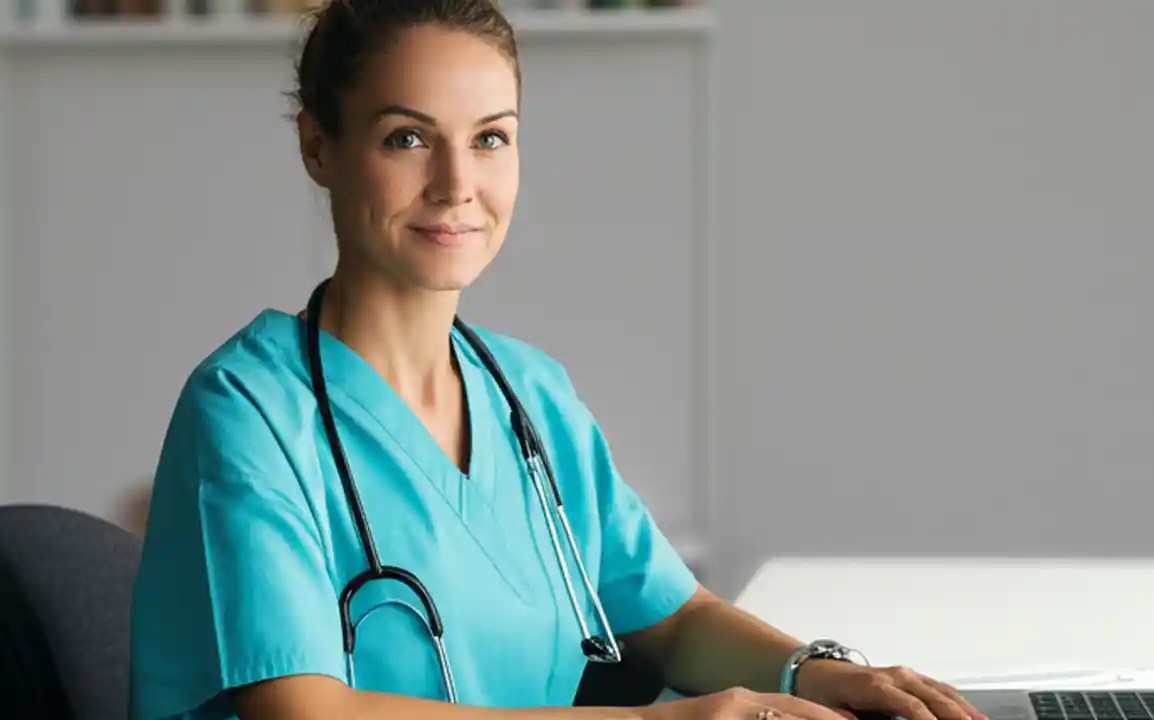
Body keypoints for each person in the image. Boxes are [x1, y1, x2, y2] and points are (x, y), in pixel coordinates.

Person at [128, 2, 988, 719]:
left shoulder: (528, 393)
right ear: (320, 147)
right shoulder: (247, 408)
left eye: (492, 138)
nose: (457, 182)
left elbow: (673, 618)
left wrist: (817, 672)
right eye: (407, 139)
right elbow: (306, 712)